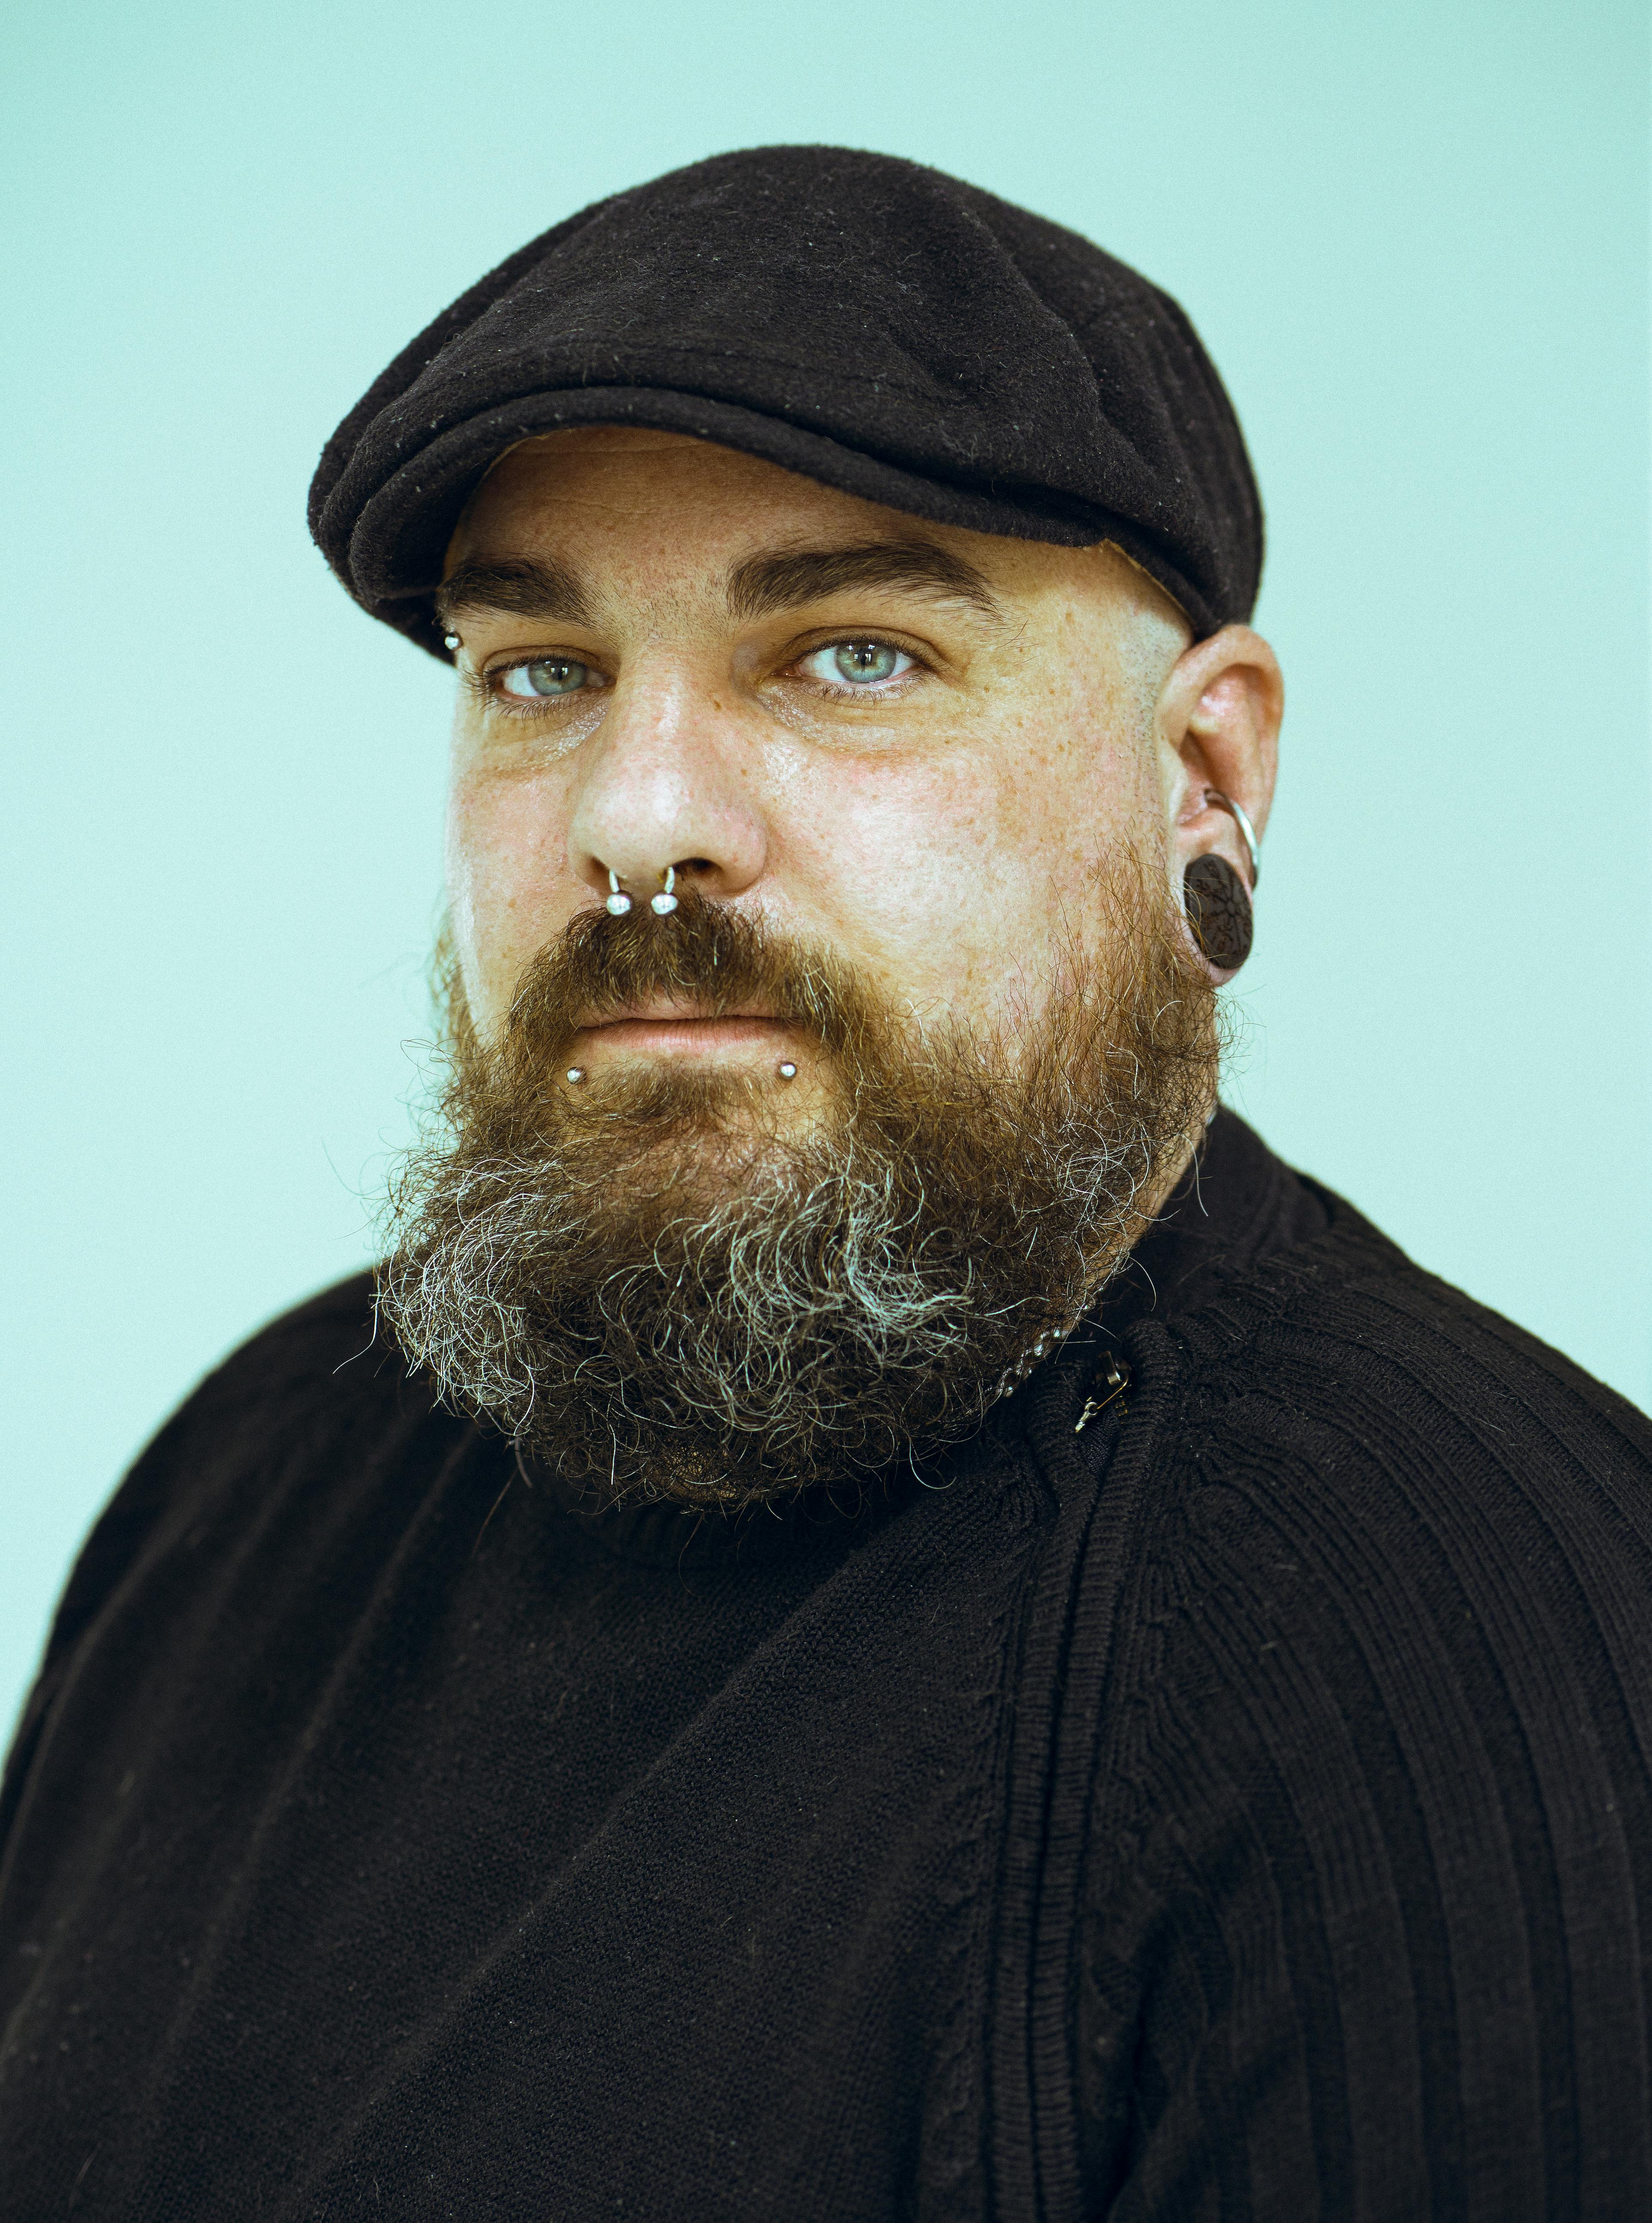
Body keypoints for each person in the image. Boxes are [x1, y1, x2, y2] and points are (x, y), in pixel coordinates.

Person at [2, 145, 1649, 2222]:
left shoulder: (1490, 1650)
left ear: (1205, 777)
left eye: (852, 654)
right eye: (542, 672)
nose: (642, 820)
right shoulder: (247, 1485)